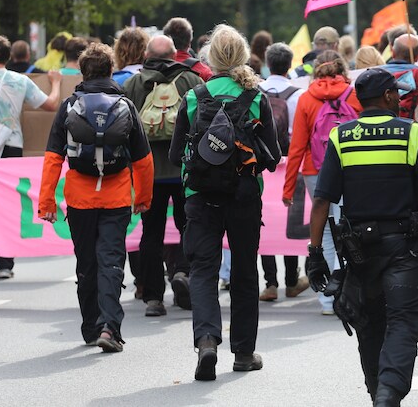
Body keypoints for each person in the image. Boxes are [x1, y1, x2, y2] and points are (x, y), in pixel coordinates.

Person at [305, 67, 418, 407]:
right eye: (397, 92)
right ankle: (389, 395)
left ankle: (379, 394)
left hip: (359, 252)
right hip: (403, 249)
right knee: (403, 324)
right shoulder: (412, 134)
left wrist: (315, 253)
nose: (400, 97)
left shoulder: (340, 136)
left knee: (368, 326)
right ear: (388, 96)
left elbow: (321, 200)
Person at [168, 24, 281, 381]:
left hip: (200, 196)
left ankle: (206, 342)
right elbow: (274, 156)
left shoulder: (194, 95)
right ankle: (244, 353)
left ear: (210, 59)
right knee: (246, 272)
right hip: (245, 197)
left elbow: (175, 155)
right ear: (244, 57)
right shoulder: (256, 97)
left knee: (202, 270)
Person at [37, 43, 154, 352]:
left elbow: (52, 158)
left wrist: (47, 202)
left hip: (79, 200)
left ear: (82, 72)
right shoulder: (125, 105)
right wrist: (142, 197)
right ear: (111, 70)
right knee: (112, 262)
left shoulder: (69, 106)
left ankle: (91, 327)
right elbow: (143, 160)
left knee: (86, 264)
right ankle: (110, 328)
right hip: (116, 198)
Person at [123, 35, 203, 316]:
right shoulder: (192, 82)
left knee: (151, 233)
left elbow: (126, 129)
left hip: (149, 172)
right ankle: (183, 274)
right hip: (184, 169)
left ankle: (154, 297)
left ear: (147, 54)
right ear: (175, 54)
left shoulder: (133, 84)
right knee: (188, 227)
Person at [0, 35, 62, 279]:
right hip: (11, 145)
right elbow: (51, 105)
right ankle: (5, 264)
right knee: (7, 203)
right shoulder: (19, 80)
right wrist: (55, 83)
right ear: (9, 57)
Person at [283, 49, 362, 314]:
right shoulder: (355, 95)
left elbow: (297, 147)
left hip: (314, 171)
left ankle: (329, 299)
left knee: (325, 233)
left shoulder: (306, 99)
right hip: (352, 171)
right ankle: (353, 294)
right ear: (343, 69)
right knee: (350, 229)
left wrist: (288, 188)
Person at [259, 43, 308, 302]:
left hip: (262, 162)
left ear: (268, 63)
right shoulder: (298, 94)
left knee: (265, 219)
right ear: (290, 64)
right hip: (289, 163)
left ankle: (269, 283)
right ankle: (291, 281)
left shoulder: (256, 91)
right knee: (289, 219)